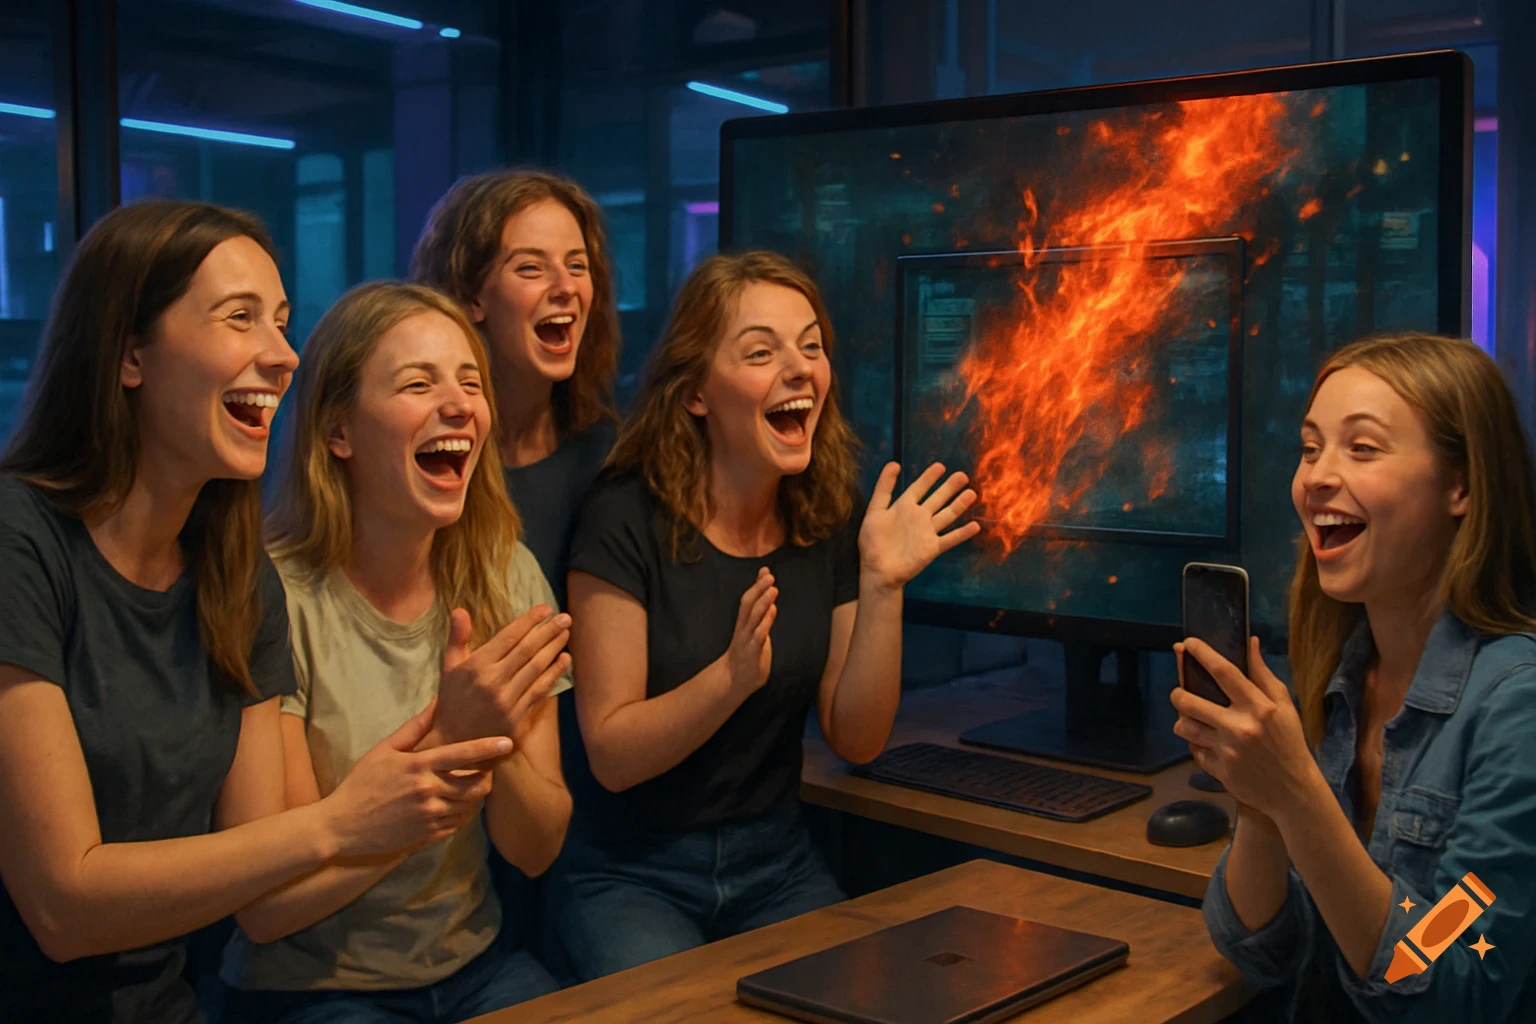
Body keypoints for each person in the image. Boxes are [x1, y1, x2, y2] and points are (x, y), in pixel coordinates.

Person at [0, 202, 509, 1023]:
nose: (283, 356)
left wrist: (429, 778)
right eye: (240, 320)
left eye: (280, 322)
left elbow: (262, 870)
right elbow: (65, 907)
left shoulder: (236, 575)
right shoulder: (18, 539)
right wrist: (344, 820)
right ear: (129, 354)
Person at [547, 250, 981, 980]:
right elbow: (613, 757)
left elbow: (859, 737)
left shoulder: (825, 513)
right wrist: (730, 679)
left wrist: (882, 586)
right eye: (761, 351)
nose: (799, 368)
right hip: (631, 872)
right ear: (695, 393)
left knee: (867, 993)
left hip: (774, 861)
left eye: (811, 346)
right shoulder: (623, 516)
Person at [219, 282, 574, 1023]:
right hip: (313, 990)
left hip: (479, 969)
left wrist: (494, 736)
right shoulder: (270, 596)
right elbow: (268, 909)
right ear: (339, 431)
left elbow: (537, 849)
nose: (459, 405)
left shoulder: (508, 575)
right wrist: (448, 741)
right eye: (418, 382)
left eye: (469, 382)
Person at [1172, 333, 1536, 1021]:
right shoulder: (1338, 676)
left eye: (1361, 448)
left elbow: (1448, 985)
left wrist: (1298, 794)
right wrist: (1258, 798)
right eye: (1311, 449)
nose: (1315, 478)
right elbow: (1259, 949)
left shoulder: (1516, 709)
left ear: (1461, 485)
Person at [410, 170, 621, 608]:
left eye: (577, 266)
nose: (565, 288)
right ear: (471, 297)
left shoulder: (612, 457)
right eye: (531, 268)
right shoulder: (423, 456)